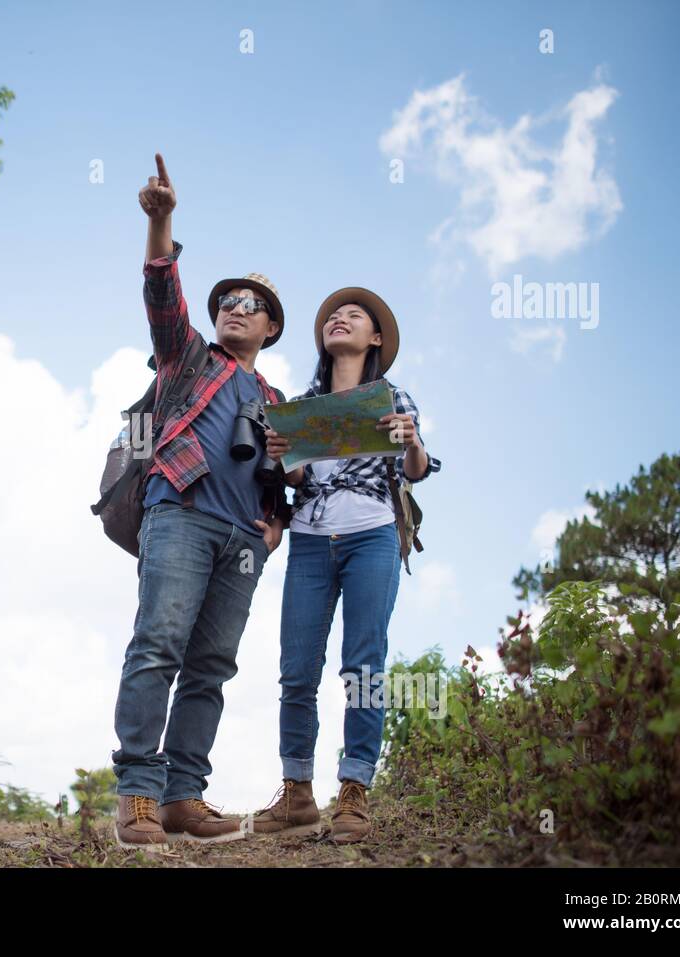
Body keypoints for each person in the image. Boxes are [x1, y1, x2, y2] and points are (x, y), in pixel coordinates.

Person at [112, 153, 291, 848]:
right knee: (158, 643)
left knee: (212, 664)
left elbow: (295, 481)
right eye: (226, 303)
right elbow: (163, 297)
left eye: (250, 306)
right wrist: (162, 223)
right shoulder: (189, 358)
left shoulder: (279, 401)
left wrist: (274, 525)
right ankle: (138, 795)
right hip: (179, 512)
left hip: (242, 541)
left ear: (270, 327)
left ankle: (185, 795)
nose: (234, 309)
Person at [249, 286, 441, 843]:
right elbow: (297, 481)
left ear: (374, 338)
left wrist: (410, 442)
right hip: (309, 538)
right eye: (334, 314)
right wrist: (285, 462)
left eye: (354, 316)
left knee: (364, 664)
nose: (340, 318)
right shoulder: (301, 406)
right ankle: (298, 793)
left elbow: (417, 468)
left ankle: (354, 792)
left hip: (372, 536)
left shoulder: (394, 397)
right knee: (297, 669)